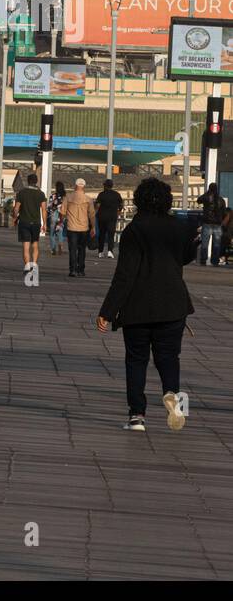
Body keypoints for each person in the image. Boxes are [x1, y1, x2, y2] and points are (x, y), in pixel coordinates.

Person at [97, 178, 198, 432]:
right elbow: (185, 257)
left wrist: (107, 311)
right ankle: (171, 394)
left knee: (136, 360)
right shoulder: (179, 227)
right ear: (166, 200)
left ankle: (137, 415)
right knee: (168, 357)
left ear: (140, 200)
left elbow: (125, 275)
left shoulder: (134, 230)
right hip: (173, 305)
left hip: (137, 308)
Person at [10, 173, 46, 282]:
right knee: (35, 244)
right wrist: (45, 224)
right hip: (36, 223)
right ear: (36, 181)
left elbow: (16, 208)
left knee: (26, 246)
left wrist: (15, 217)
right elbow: (44, 210)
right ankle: (34, 265)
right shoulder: (40, 194)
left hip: (24, 222)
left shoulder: (22, 193)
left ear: (28, 181)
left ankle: (27, 267)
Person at [60, 178, 93, 277]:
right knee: (82, 249)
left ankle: (73, 270)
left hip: (72, 227)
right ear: (84, 186)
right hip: (84, 228)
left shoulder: (68, 197)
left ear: (75, 185)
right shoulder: (88, 199)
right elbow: (92, 214)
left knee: (73, 249)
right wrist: (94, 227)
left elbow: (62, 212)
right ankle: (81, 270)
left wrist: (62, 221)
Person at [196, 183, 227, 266]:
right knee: (216, 245)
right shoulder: (221, 200)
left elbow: (198, 200)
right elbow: (224, 212)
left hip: (207, 223)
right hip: (217, 225)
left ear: (209, 189)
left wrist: (207, 193)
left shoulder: (206, 197)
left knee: (205, 243)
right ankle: (215, 261)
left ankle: (203, 260)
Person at [95, 179, 124, 259]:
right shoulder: (117, 194)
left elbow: (97, 205)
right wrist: (118, 212)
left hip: (102, 217)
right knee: (111, 234)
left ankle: (100, 252)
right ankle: (110, 251)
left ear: (104, 186)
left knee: (102, 234)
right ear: (112, 186)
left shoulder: (101, 194)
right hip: (112, 217)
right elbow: (121, 205)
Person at [47, 181, 66, 256]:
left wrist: (50, 212)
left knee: (52, 233)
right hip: (61, 215)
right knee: (60, 232)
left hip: (54, 215)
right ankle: (60, 246)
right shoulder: (65, 197)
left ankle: (53, 249)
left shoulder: (53, 196)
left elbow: (49, 207)